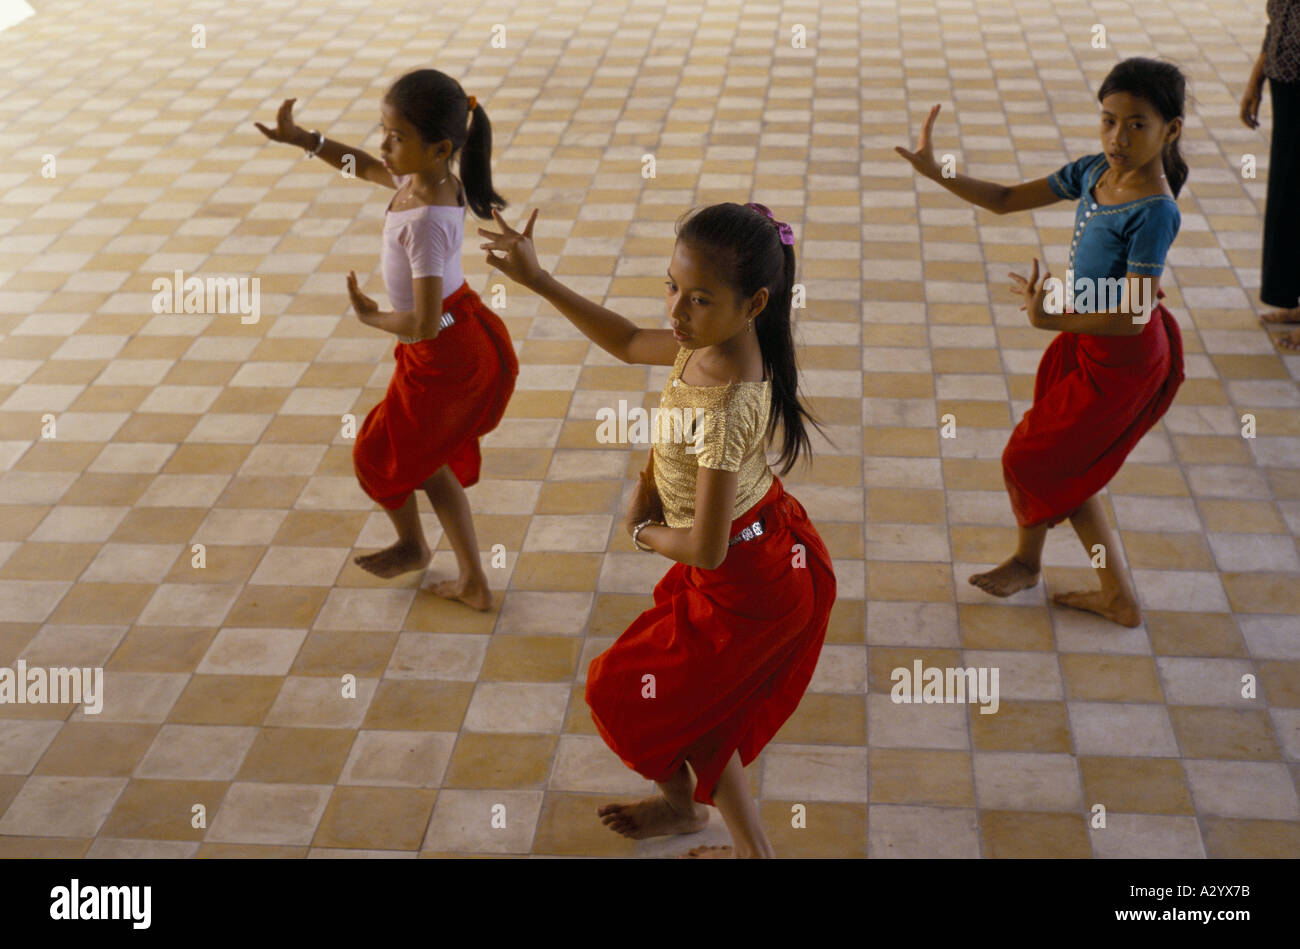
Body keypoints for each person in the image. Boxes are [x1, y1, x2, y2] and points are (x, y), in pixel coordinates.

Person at [478, 202, 837, 858]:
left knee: (621, 690)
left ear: (754, 303)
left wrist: (644, 531)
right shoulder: (706, 339)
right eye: (671, 286)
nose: (675, 312)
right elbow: (624, 341)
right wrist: (540, 279)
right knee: (703, 712)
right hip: (743, 565)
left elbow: (706, 544)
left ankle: (697, 816)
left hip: (748, 582)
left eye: (697, 299)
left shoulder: (730, 394)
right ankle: (701, 820)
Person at [896, 57, 1189, 627]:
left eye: (1137, 125)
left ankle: (1062, 575)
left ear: (1169, 130)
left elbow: (1132, 315)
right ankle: (1089, 586)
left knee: (1031, 457)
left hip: (1122, 358)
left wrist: (1050, 319)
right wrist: (937, 171)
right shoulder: (1093, 173)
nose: (1117, 138)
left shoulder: (1155, 210)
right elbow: (1006, 198)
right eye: (1108, 121)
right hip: (1088, 341)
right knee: (1062, 465)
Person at [255, 70, 518, 611]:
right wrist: (307, 140)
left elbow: (423, 322)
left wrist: (371, 316)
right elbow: (367, 167)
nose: (383, 146)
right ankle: (460, 571)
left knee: (378, 450)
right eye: (384, 130)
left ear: (439, 146)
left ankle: (419, 548)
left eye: (396, 137)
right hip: (450, 336)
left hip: (445, 343)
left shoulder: (424, 220)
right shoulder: (424, 179)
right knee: (425, 458)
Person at [1242, 0, 1300, 349]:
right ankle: (1292, 299)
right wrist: (1256, 80)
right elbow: (1276, 24)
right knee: (1289, 193)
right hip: (1288, 86)